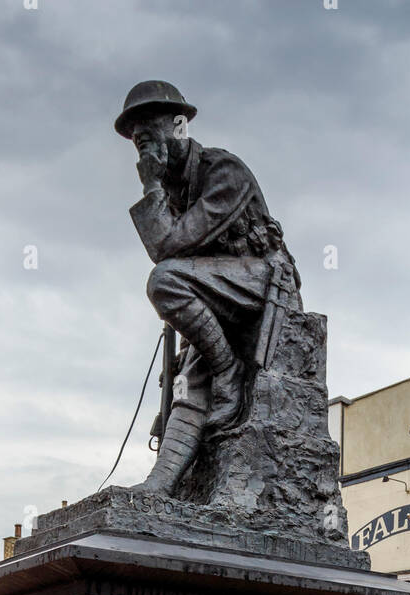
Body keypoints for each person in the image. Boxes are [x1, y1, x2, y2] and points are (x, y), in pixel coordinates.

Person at [115, 81, 300, 494]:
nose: (141, 144)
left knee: (165, 282)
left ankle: (228, 371)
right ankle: (159, 486)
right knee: (188, 382)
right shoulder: (173, 189)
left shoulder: (223, 171)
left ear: (179, 125)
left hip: (262, 283)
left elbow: (166, 251)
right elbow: (174, 251)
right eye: (136, 139)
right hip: (221, 292)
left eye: (149, 130)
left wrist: (150, 187)